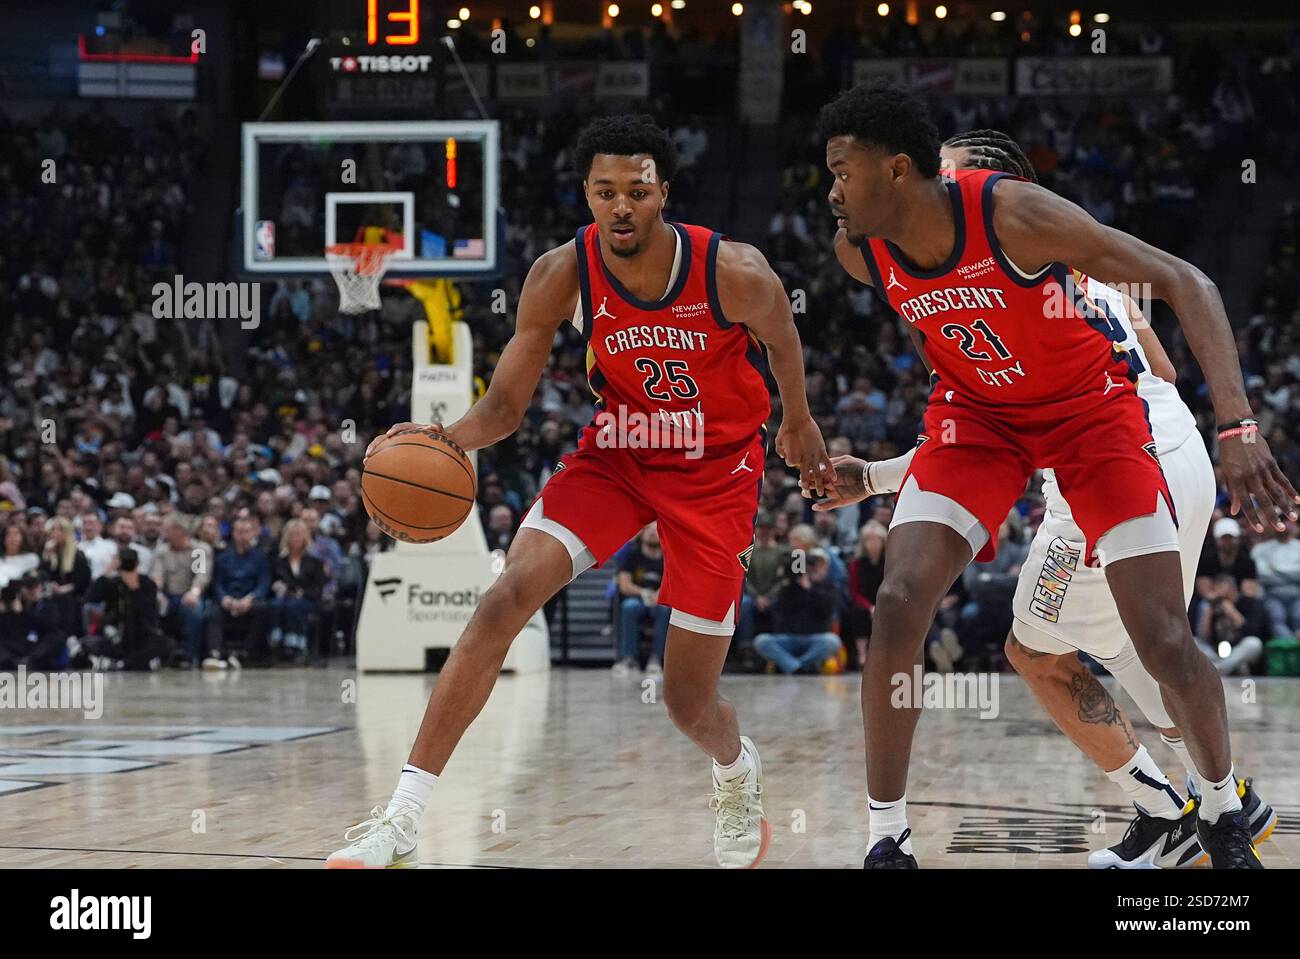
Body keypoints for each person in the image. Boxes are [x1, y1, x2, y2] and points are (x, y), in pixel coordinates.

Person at [328, 114, 831, 870]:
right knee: (503, 598)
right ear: (587, 195)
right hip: (619, 453)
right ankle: (402, 815)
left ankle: (736, 772)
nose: (620, 205)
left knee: (686, 700)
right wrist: (441, 443)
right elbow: (505, 407)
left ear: (664, 192)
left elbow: (782, 338)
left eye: (636, 189)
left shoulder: (733, 271)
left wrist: (797, 419)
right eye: (605, 191)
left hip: (716, 469)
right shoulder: (562, 273)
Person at [816, 85, 1295, 868]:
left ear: (902, 170)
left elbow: (1187, 286)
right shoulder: (860, 250)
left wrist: (1238, 423)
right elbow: (1137, 364)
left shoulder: (1018, 217)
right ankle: (886, 835)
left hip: (1097, 424)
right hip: (984, 423)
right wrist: (874, 474)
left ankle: (1217, 809)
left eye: (841, 170)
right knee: (904, 599)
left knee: (1144, 643)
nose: (830, 190)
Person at [753, 549, 842, 674]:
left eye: (819, 565)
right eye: (812, 565)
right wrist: (788, 583)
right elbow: (779, 609)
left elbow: (826, 610)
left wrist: (809, 588)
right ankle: (799, 667)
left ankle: (795, 666)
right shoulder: (789, 586)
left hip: (814, 638)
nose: (814, 569)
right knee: (761, 641)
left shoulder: (829, 587)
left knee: (832, 641)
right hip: (789, 637)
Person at [82, 548, 169, 671]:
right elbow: (90, 598)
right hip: (117, 634)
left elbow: (148, 611)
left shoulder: (147, 583)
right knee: (88, 642)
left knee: (163, 643)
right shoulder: (111, 583)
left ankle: (122, 663)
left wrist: (134, 588)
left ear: (137, 563)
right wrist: (106, 571)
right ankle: (132, 662)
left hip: (142, 634)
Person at [205, 515, 271, 669]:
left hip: (251, 599)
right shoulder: (222, 557)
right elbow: (217, 583)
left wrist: (250, 598)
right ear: (233, 534)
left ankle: (245, 654)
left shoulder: (261, 558)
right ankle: (215, 653)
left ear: (253, 534)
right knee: (212, 612)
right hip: (228, 598)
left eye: (246, 532)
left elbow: (264, 583)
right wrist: (224, 598)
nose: (243, 536)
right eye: (239, 532)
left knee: (263, 610)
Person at [148, 514, 212, 666]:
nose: (163, 533)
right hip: (168, 596)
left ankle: (190, 655)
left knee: (193, 608)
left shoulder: (199, 550)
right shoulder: (162, 551)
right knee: (149, 605)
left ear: (179, 531)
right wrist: (157, 593)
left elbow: (201, 576)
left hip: (189, 595)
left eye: (167, 530)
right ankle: (154, 654)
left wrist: (194, 592)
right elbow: (157, 574)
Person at [611, 522, 669, 677]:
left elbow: (673, 581)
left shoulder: (668, 556)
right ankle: (629, 658)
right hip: (638, 599)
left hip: (659, 600)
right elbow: (624, 584)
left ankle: (657, 658)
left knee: (664, 609)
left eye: (656, 530)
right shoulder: (632, 555)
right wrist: (644, 593)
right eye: (648, 529)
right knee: (629, 607)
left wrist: (658, 595)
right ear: (642, 533)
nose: (652, 533)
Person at [270, 518, 325, 662]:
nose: (295, 538)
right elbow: (275, 581)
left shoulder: (315, 562)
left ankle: (297, 646)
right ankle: (277, 643)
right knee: (277, 605)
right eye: (292, 534)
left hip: (307, 599)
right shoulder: (279, 561)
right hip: (285, 598)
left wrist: (302, 593)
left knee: (294, 606)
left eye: (298, 534)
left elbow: (318, 588)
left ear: (305, 537)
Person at [1196, 574, 1267, 675]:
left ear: (1233, 588)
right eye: (1216, 589)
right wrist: (1207, 614)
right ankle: (1224, 667)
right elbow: (1203, 636)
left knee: (1254, 644)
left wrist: (1232, 612)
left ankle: (1218, 670)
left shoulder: (1249, 603)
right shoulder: (1212, 605)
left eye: (1221, 588)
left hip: (1238, 650)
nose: (1218, 593)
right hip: (1216, 652)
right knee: (1194, 642)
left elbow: (1252, 632)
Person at [1251, 521, 1300, 640]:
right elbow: (1263, 576)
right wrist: (1291, 574)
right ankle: (1291, 645)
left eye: (1286, 519)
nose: (1283, 524)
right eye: (1279, 519)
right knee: (1276, 617)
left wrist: (1275, 569)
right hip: (1272, 595)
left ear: (1294, 524)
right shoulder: (1260, 549)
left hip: (1298, 594)